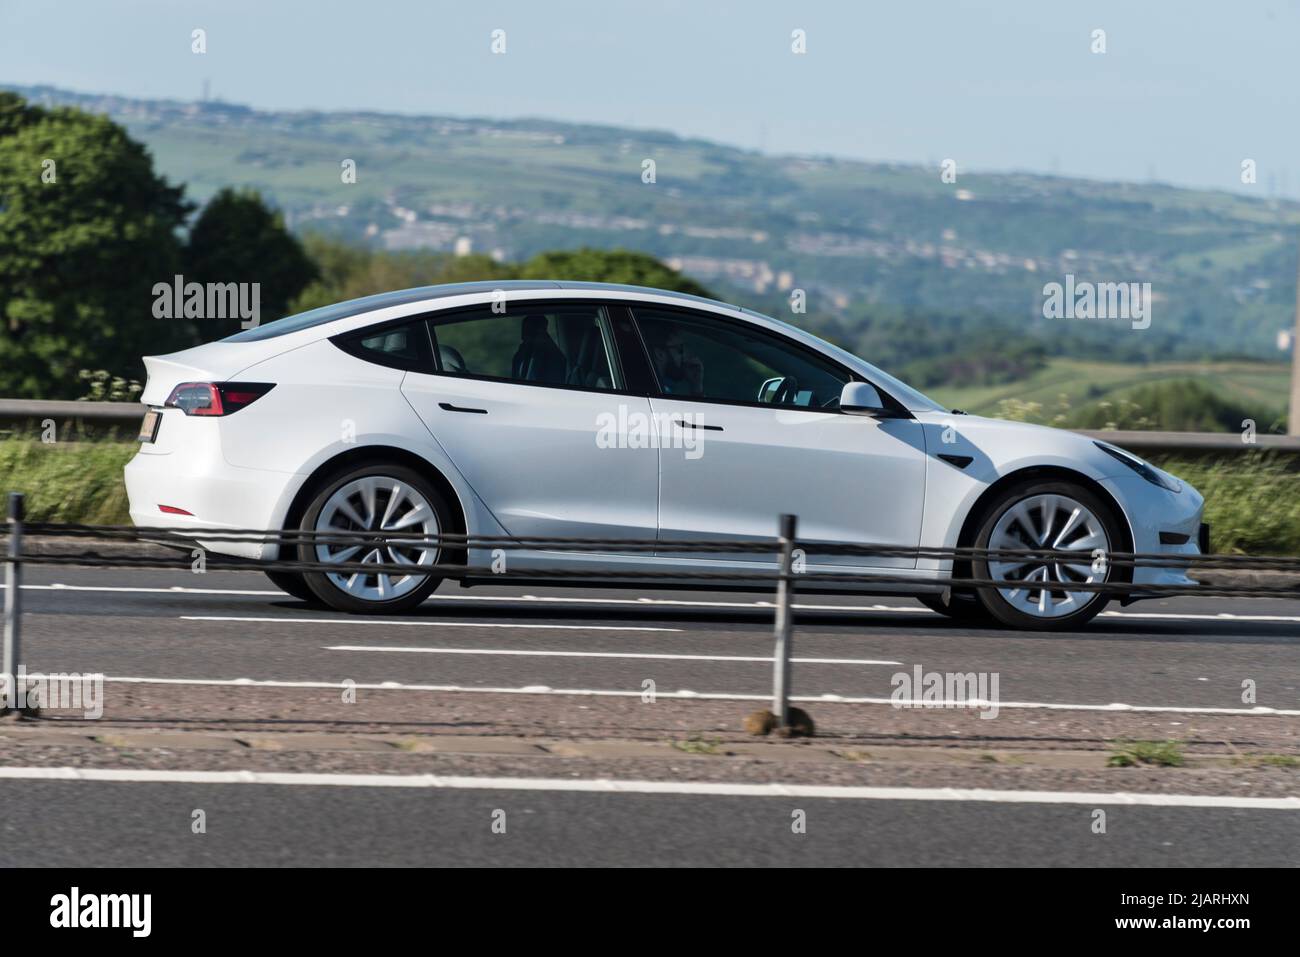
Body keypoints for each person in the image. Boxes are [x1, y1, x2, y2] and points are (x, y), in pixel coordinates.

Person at [648, 326, 704, 396]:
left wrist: (696, 385)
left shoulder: (659, 389)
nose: (685, 357)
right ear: (660, 354)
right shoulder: (652, 391)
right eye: (680, 349)